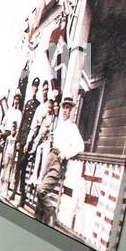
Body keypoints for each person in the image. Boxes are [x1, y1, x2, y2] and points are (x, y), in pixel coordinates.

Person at [35, 96, 86, 227]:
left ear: (71, 110)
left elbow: (80, 146)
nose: (65, 110)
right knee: (39, 189)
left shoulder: (72, 127)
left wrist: (66, 153)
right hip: (50, 156)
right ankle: (38, 220)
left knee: (41, 190)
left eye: (68, 108)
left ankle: (51, 212)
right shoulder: (59, 125)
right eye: (64, 107)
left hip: (58, 161)